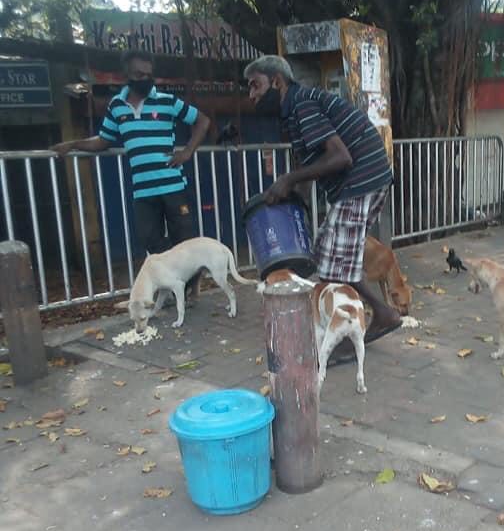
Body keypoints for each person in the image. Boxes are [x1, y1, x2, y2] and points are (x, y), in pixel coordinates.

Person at [244, 54, 401, 346]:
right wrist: (295, 201)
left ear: (277, 82)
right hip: (363, 182)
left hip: (360, 181)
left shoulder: (302, 103)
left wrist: (288, 180)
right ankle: (377, 314)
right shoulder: (293, 112)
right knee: (324, 256)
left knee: (334, 267)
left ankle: (348, 334)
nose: (251, 95)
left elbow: (341, 157)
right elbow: (310, 166)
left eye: (255, 86)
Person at [52, 49, 210, 256]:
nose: (145, 79)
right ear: (126, 76)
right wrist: (72, 144)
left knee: (185, 241)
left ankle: (186, 286)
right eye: (139, 75)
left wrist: (188, 152)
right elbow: (103, 140)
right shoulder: (116, 106)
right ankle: (174, 280)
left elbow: (203, 121)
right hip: (143, 191)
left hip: (173, 185)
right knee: (149, 240)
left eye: (148, 75)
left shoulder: (167, 101)